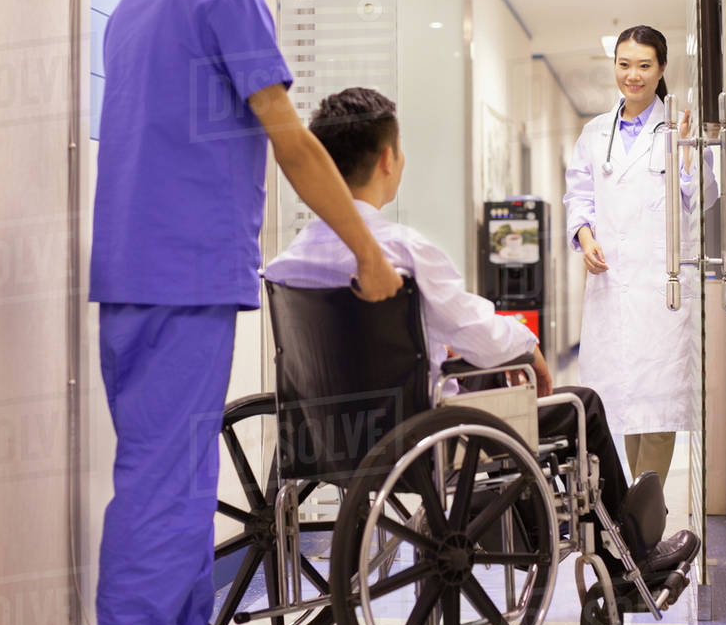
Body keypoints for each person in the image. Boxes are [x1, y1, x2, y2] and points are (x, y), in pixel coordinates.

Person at [81, 0, 402, 625]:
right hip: (181, 272)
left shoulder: (138, 5)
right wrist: (366, 251)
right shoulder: (225, 1)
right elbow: (293, 142)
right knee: (163, 475)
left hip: (137, 272)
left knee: (178, 467)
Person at [266, 86, 698, 576]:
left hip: (325, 439)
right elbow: (477, 331)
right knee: (583, 407)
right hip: (420, 438)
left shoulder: (286, 264)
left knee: (486, 387)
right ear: (388, 159)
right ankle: (629, 560)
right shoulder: (400, 250)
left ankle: (543, 530)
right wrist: (529, 346)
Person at [564, 25, 718, 487]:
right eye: (625, 64)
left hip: (660, 285)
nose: (633, 75)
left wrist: (689, 159)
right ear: (615, 67)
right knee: (618, 406)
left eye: (644, 66)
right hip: (611, 285)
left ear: (661, 69)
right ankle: (635, 513)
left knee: (657, 402)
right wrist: (585, 237)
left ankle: (647, 509)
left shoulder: (679, 126)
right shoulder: (593, 133)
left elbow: (703, 198)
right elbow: (578, 198)